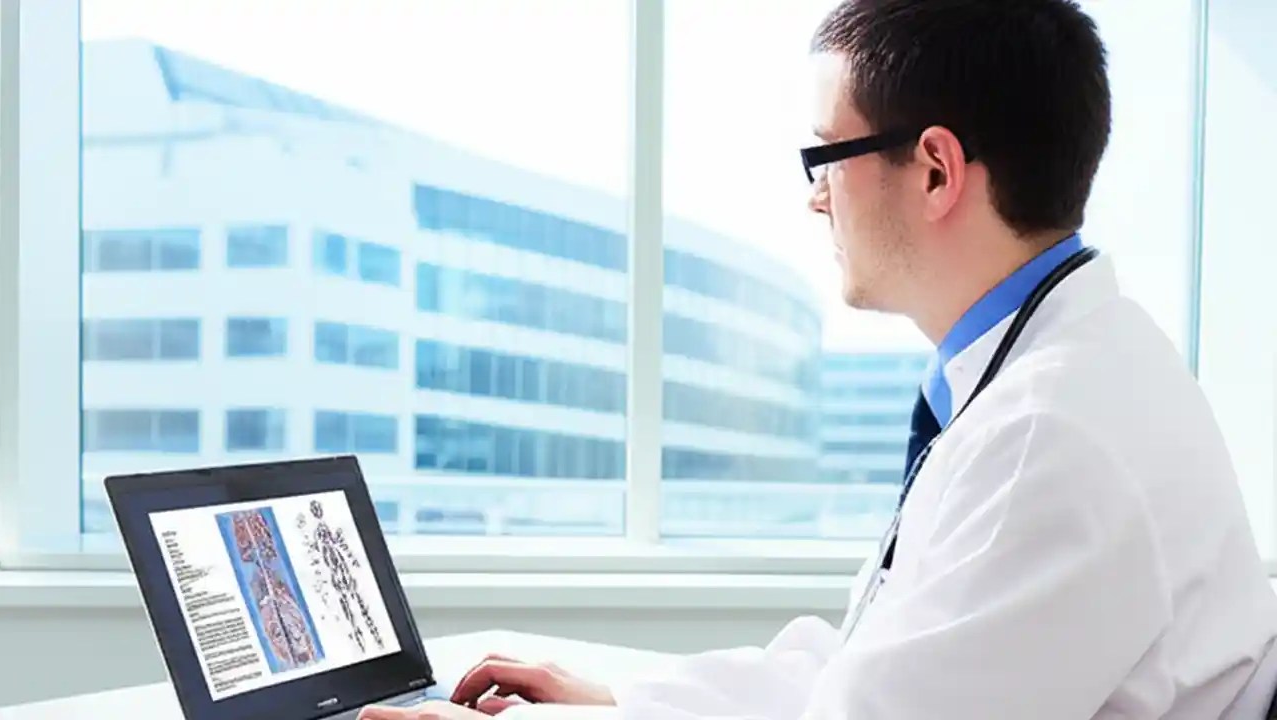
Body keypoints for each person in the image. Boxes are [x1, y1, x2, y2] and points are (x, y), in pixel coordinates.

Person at [359, 1, 1277, 718]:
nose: (815, 202)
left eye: (824, 157)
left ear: (934, 170)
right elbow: (874, 661)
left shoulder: (1050, 436)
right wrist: (621, 701)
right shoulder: (1077, 367)